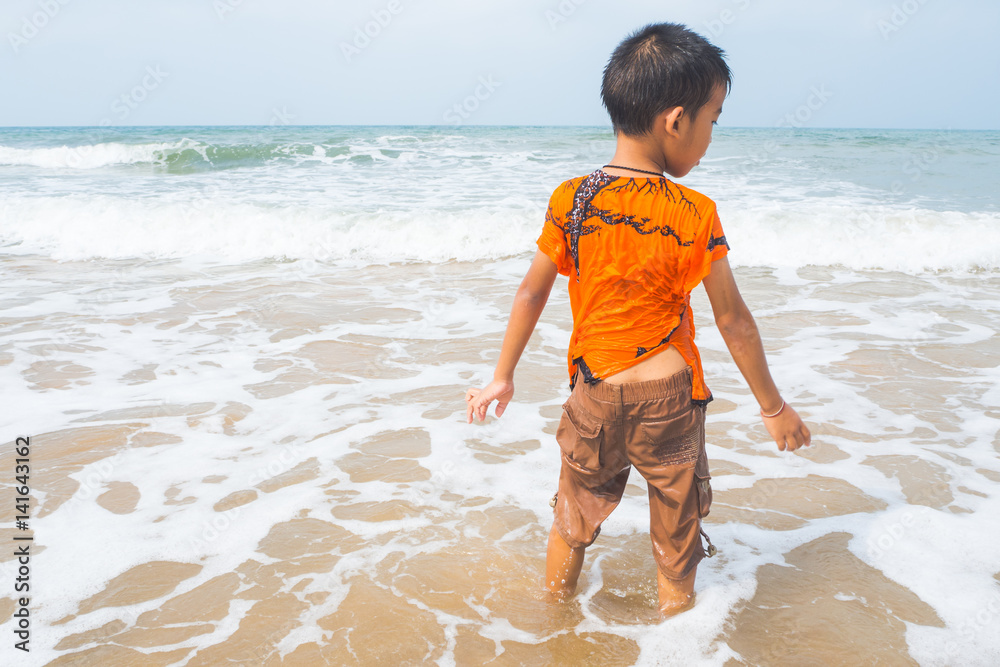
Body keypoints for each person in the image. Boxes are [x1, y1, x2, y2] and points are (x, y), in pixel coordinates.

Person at [464, 22, 811, 616]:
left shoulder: (572, 198)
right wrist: (774, 407)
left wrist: (502, 375)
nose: (708, 140)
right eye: (712, 121)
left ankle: (554, 623)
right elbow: (735, 322)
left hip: (594, 393)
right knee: (676, 539)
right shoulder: (695, 212)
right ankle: (678, 639)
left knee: (572, 519)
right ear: (675, 120)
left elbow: (530, 293)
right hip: (669, 399)